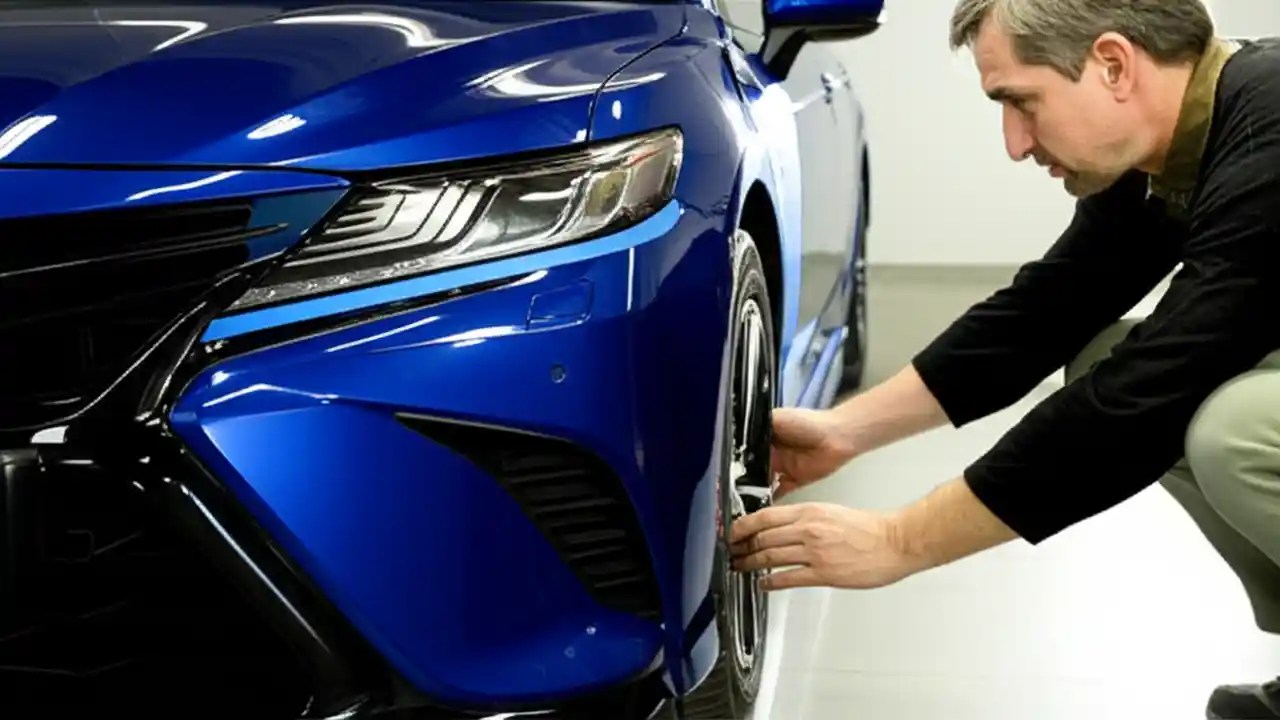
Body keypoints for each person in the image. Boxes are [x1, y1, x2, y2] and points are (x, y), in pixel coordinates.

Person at [727, 1, 1280, 717]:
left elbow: (1158, 384)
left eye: (1021, 102)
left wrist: (901, 540)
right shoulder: (1183, 143)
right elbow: (1047, 310)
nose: (1015, 144)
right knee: (1102, 358)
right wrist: (847, 430)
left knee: (1233, 428)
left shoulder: (1268, 137)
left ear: (1113, 64)